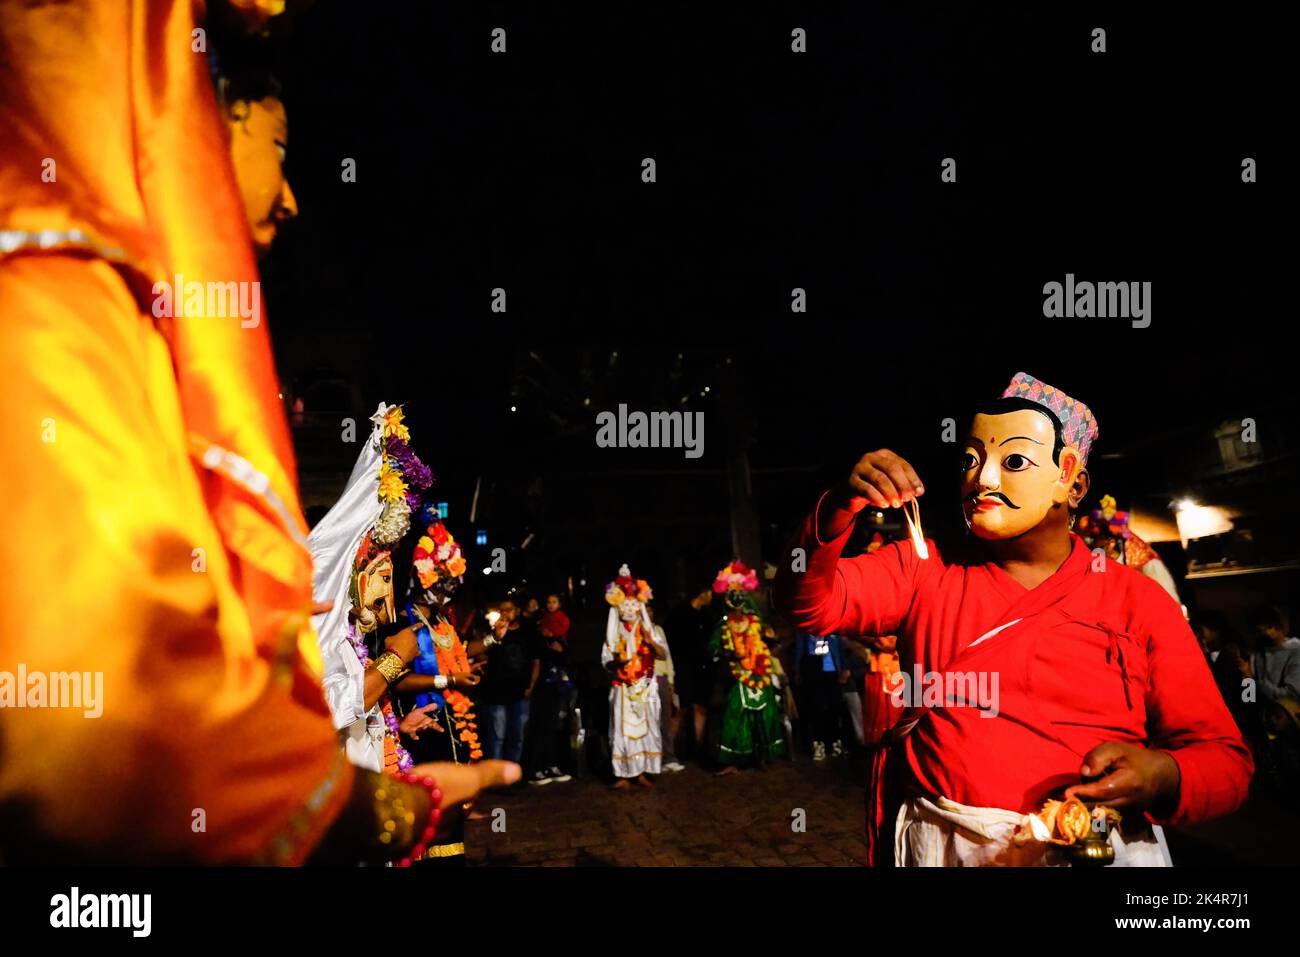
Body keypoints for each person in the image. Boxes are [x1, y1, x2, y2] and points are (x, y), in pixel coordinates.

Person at [0, 0, 515, 865]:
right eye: (279, 151)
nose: (293, 197)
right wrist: (377, 810)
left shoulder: (115, 322)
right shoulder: (54, 313)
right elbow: (105, 731)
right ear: (192, 118)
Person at [775, 371, 1252, 866]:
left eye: (1015, 461)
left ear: (1072, 481)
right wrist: (837, 508)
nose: (982, 480)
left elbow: (1225, 762)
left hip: (1090, 848)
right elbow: (807, 603)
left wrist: (1162, 775)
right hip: (945, 846)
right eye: (970, 460)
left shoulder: (1136, 599)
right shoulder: (923, 567)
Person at [711, 561, 787, 774]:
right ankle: (731, 761)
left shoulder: (756, 622)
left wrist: (772, 639)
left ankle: (762, 756)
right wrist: (728, 653)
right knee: (735, 715)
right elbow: (714, 648)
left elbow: (772, 641)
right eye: (732, 591)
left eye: (740, 590)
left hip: (759, 672)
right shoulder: (724, 626)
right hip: (738, 676)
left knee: (764, 715)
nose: (737, 595)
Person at [602, 565, 669, 787]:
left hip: (646, 684)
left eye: (633, 604)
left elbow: (662, 654)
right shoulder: (614, 634)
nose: (629, 609)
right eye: (625, 605)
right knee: (622, 729)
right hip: (622, 687)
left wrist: (651, 643)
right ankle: (622, 775)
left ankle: (642, 772)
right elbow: (606, 661)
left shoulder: (649, 632)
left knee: (647, 728)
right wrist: (617, 662)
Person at [480, 598, 542, 767]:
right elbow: (481, 655)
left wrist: (531, 685)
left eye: (509, 609)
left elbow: (536, 660)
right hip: (496, 693)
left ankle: (510, 775)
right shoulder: (494, 633)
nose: (505, 613)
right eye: (502, 610)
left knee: (517, 736)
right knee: (496, 737)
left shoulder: (528, 633)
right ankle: (495, 776)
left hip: (520, 693)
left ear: (517, 611)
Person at [666, 586, 718, 762]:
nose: (711, 596)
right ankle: (667, 752)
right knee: (679, 709)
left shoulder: (706, 615)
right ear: (701, 593)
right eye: (709, 592)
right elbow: (673, 643)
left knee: (700, 707)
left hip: (703, 670)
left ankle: (699, 750)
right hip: (683, 669)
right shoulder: (680, 615)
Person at [530, 594, 576, 785]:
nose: (550, 605)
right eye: (547, 602)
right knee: (541, 726)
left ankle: (551, 764)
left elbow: (564, 655)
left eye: (554, 602)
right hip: (543, 686)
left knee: (554, 725)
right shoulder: (539, 627)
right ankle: (538, 767)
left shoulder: (561, 626)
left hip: (557, 685)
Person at [793, 632, 848, 760]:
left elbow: (841, 651)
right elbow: (799, 652)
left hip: (831, 672)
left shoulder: (833, 632)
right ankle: (818, 744)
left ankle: (834, 742)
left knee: (834, 708)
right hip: (812, 672)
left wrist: (845, 668)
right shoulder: (804, 633)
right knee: (816, 708)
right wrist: (797, 672)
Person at [648, 604, 686, 772]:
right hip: (647, 679)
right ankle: (654, 757)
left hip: (661, 677)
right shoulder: (638, 633)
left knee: (666, 717)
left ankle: (668, 756)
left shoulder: (658, 630)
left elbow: (666, 654)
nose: (648, 613)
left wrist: (670, 678)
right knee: (651, 719)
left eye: (650, 610)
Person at [1243, 606, 1300, 710]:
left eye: (1265, 628)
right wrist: (1247, 679)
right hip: (1261, 719)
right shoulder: (1257, 653)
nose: (1260, 634)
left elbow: (1292, 696)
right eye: (1257, 630)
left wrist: (1256, 682)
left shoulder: (1296, 651)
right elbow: (1249, 699)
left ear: (1276, 627)